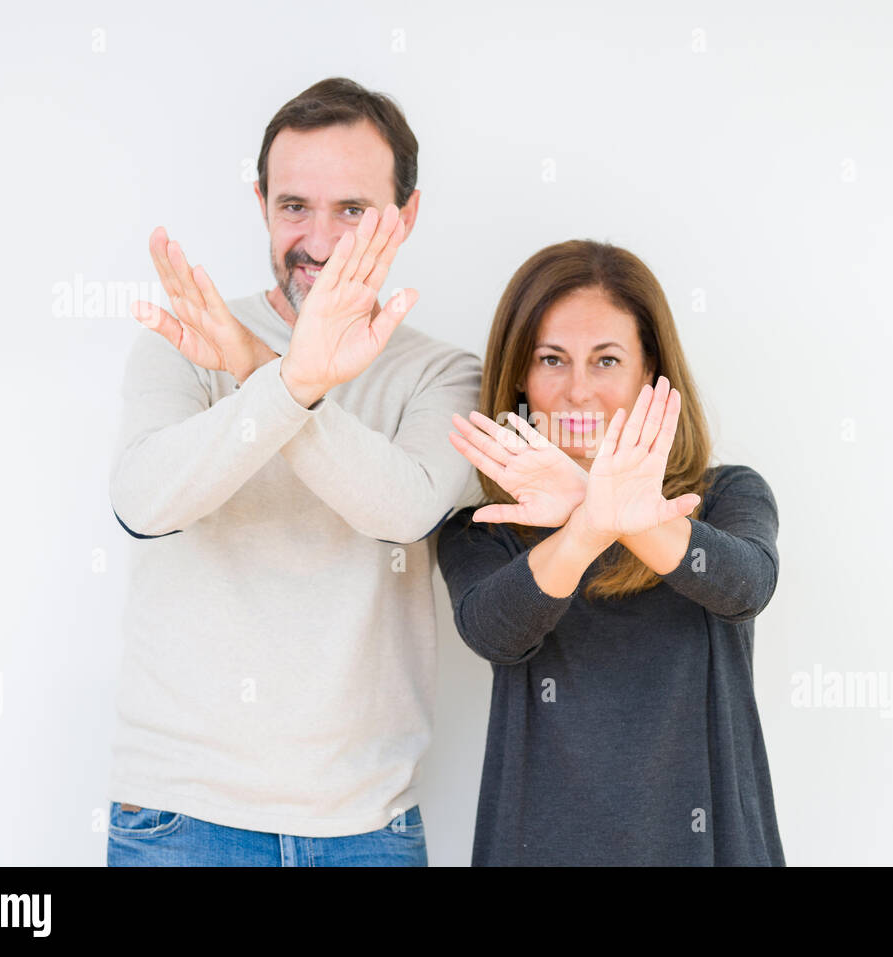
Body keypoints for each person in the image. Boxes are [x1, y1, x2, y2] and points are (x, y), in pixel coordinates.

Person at [105, 78, 481, 866]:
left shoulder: (445, 375)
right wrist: (288, 378)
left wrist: (262, 374)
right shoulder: (189, 337)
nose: (318, 238)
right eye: (293, 207)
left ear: (405, 216)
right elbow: (145, 500)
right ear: (262, 203)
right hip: (182, 816)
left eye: (353, 210)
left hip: (366, 826)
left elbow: (400, 507)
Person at [436, 240, 786, 866]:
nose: (577, 391)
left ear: (650, 372)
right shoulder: (483, 528)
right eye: (551, 359)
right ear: (519, 374)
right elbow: (495, 630)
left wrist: (613, 512)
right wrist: (585, 522)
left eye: (606, 361)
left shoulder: (728, 494)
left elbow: (746, 586)